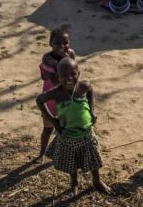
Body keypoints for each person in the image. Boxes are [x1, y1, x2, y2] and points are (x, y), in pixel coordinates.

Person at [35, 58, 111, 195]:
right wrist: (52, 120)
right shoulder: (56, 93)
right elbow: (39, 100)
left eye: (73, 74)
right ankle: (74, 182)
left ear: (79, 74)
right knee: (72, 162)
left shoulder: (83, 87)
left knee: (94, 158)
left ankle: (97, 181)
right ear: (58, 77)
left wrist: (92, 110)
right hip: (67, 136)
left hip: (87, 134)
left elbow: (90, 89)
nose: (69, 78)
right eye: (64, 75)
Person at [39, 27, 76, 159]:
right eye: (57, 43)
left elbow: (74, 73)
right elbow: (55, 80)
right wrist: (65, 61)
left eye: (65, 43)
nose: (62, 46)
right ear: (50, 44)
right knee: (48, 127)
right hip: (51, 97)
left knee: (66, 128)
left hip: (67, 95)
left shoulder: (70, 53)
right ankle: (42, 153)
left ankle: (63, 153)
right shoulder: (47, 58)